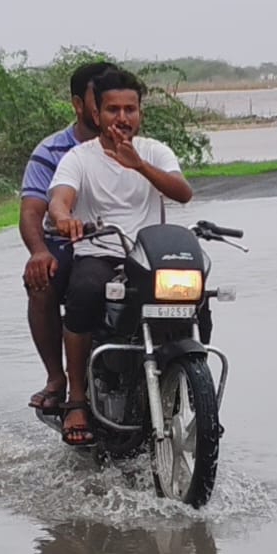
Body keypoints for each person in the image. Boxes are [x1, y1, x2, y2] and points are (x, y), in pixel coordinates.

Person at [47, 67, 194, 445]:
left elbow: (183, 192)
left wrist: (138, 165)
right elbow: (60, 199)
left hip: (149, 257)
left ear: (140, 113)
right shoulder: (79, 158)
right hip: (101, 252)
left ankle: (192, 384)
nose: (123, 117)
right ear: (96, 114)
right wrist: (64, 219)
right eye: (113, 109)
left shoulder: (155, 151)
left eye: (131, 109)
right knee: (83, 292)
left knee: (196, 297)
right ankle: (77, 399)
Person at [19, 59, 116, 414]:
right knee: (42, 279)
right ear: (78, 104)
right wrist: (38, 251)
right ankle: (58, 378)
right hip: (68, 242)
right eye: (100, 100)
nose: (111, 111)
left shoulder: (140, 149)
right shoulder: (53, 152)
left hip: (122, 242)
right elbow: (34, 210)